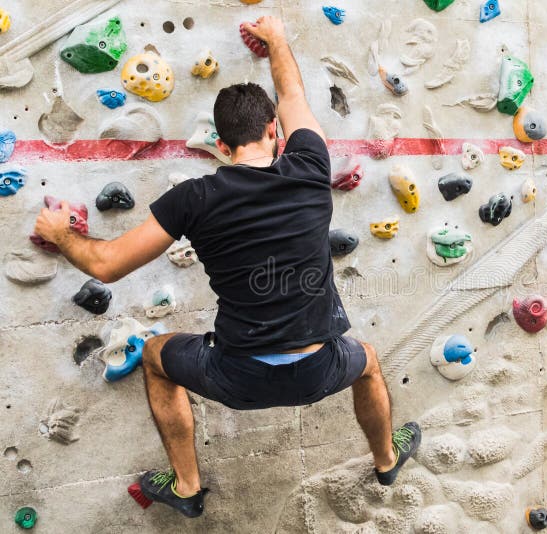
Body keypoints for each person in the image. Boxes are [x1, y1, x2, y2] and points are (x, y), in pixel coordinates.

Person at [33, 16, 421, 518]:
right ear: (272, 133)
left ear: (219, 142)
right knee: (366, 360)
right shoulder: (310, 166)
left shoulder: (194, 198)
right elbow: (293, 96)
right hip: (321, 369)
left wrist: (61, 232)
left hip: (239, 378)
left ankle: (188, 487)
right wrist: (277, 39)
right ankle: (387, 460)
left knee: (154, 355)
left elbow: (105, 265)